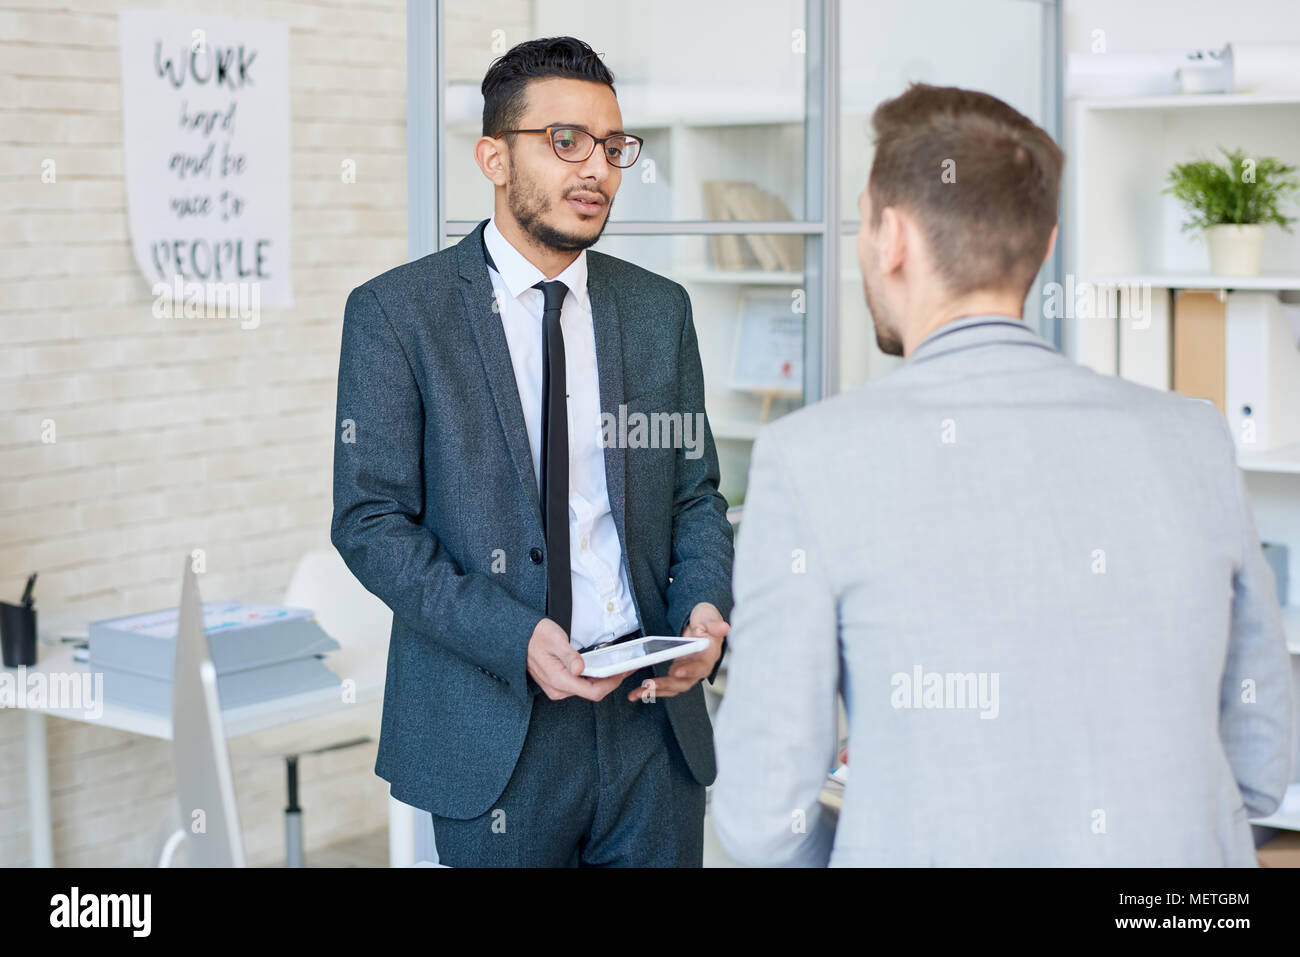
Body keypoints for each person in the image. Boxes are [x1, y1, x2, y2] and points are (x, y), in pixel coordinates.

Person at [711, 82, 1293, 866]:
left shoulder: (810, 459)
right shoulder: (1194, 437)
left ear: (893, 238)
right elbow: (1260, 768)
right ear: (1045, 245)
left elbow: (758, 819)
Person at [331, 36, 733, 867]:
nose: (597, 169)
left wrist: (702, 606)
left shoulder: (659, 311)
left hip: (650, 727)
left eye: (613, 147)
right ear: (493, 157)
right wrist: (513, 636)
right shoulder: (398, 316)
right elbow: (371, 521)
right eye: (565, 141)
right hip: (496, 731)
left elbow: (695, 494)